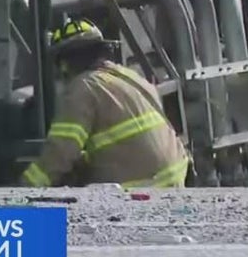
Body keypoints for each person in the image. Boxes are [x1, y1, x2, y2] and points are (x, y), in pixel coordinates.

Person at [20, 19, 190, 189]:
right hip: (174, 180)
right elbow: (123, 140)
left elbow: (62, 150)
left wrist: (25, 189)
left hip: (140, 189)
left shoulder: (83, 87)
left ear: (64, 64)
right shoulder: (129, 76)